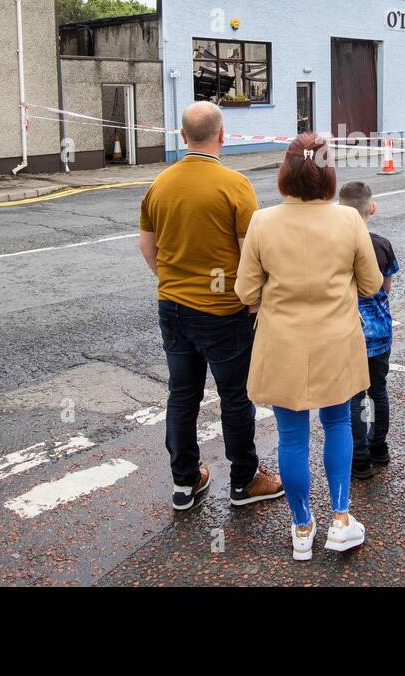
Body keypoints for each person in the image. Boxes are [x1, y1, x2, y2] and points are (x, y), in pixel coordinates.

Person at [235, 134, 383, 561]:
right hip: (336, 341)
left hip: (281, 343)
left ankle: (302, 527)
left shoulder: (263, 222)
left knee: (291, 436)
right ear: (328, 172)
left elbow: (246, 292)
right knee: (339, 423)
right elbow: (372, 284)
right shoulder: (349, 221)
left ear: (285, 171)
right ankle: (340, 519)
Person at [138, 101, 284, 512]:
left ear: (182, 137)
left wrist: (170, 281)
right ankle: (244, 481)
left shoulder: (159, 184)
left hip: (172, 306)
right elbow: (250, 254)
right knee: (235, 396)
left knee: (182, 395)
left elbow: (147, 247)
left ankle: (185, 482)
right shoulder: (234, 185)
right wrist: (254, 302)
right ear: (222, 135)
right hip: (223, 312)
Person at [338, 180, 399, 480]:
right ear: (370, 208)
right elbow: (384, 288)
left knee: (355, 397)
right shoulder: (382, 244)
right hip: (380, 332)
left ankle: (360, 459)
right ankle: (380, 448)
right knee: (378, 391)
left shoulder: (336, 244)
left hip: (350, 332)